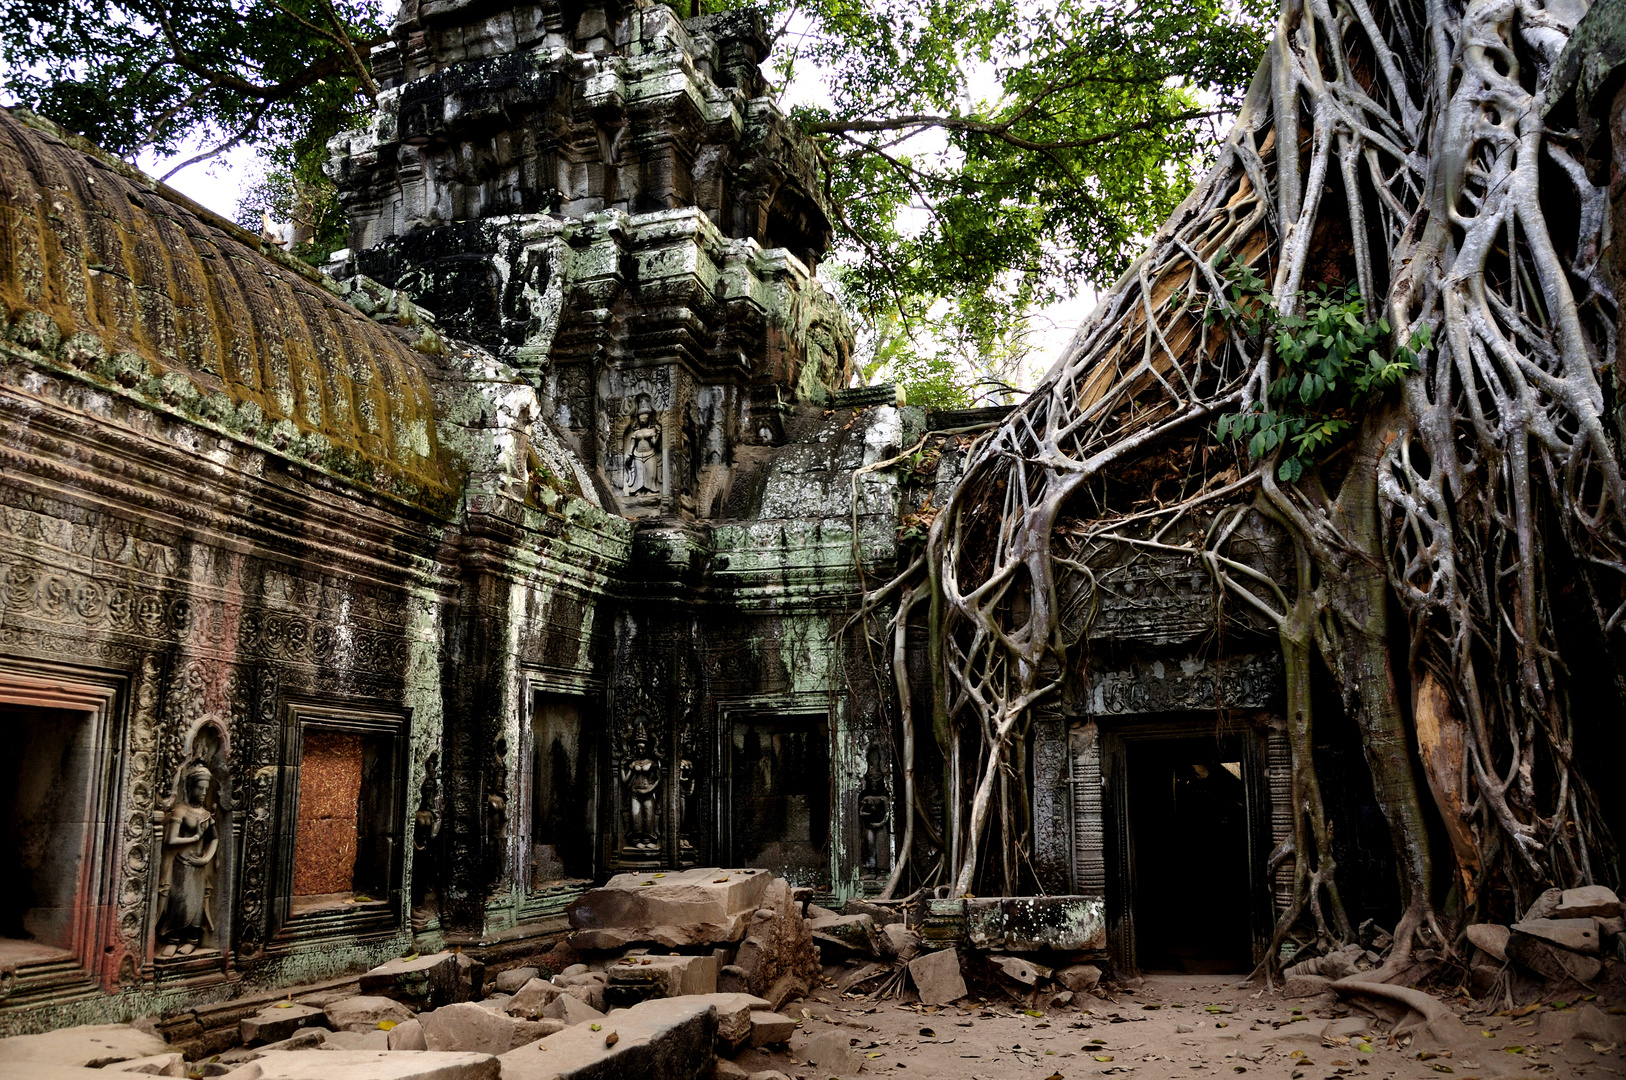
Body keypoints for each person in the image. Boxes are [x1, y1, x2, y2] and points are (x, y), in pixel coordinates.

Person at [156, 761, 218, 957]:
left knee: (197, 903)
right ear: (190, 787)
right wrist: (195, 837)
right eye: (200, 788)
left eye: (206, 789)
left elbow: (214, 839)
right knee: (179, 901)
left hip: (198, 865)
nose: (203, 793)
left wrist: (206, 858)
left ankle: (192, 939)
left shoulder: (206, 814)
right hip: (181, 864)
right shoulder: (181, 811)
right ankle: (172, 939)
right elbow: (170, 839)